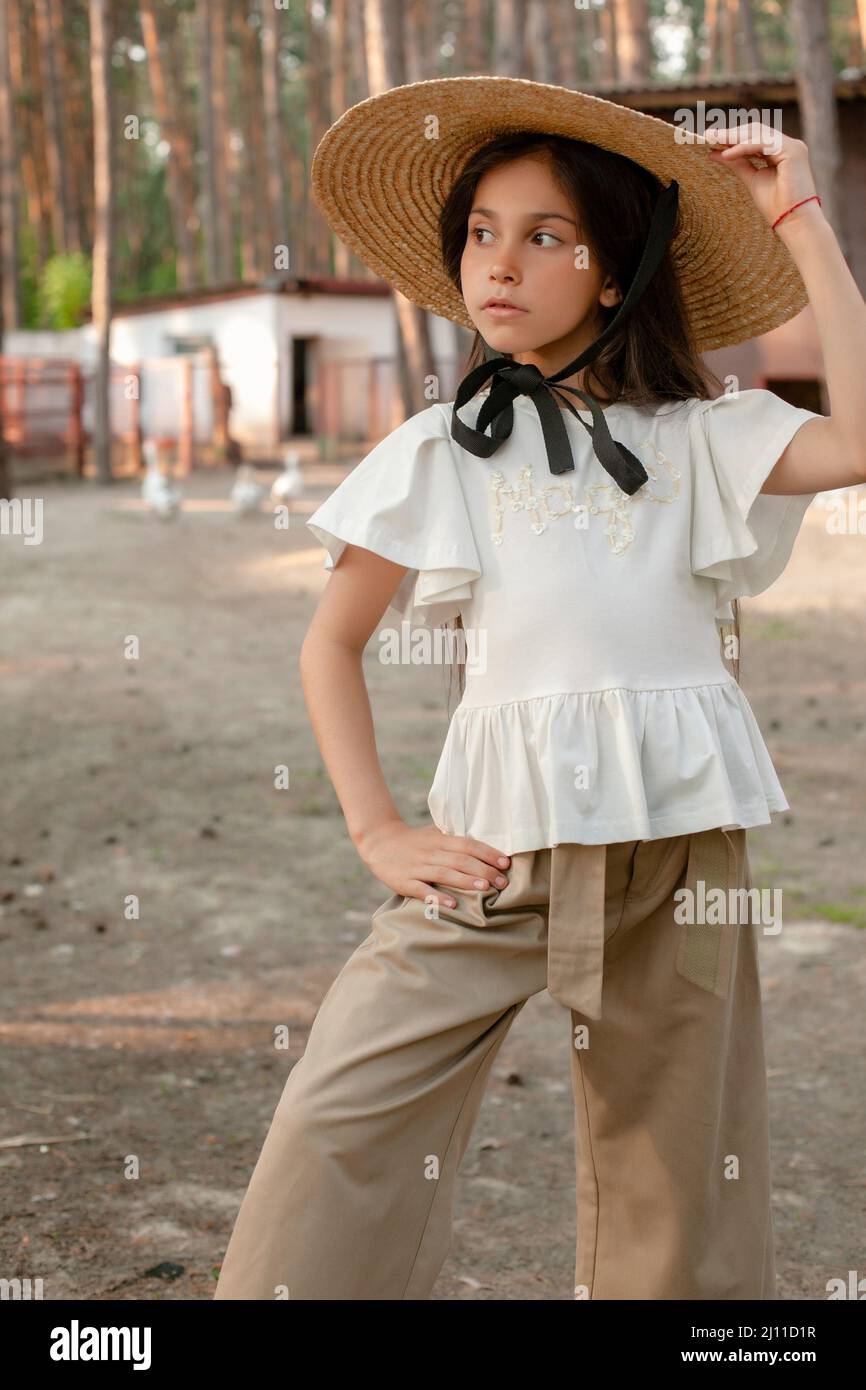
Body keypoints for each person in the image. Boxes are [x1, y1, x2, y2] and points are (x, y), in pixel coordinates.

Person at [213, 76, 866, 1301]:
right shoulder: (434, 451)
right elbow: (328, 644)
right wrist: (377, 827)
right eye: (480, 232)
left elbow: (861, 440)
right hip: (492, 854)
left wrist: (803, 220)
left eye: (545, 236)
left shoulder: (701, 436)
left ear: (613, 271)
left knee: (678, 1183)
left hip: (675, 850)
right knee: (340, 1108)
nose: (498, 263)